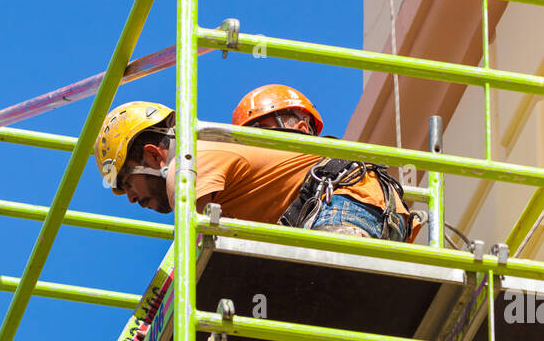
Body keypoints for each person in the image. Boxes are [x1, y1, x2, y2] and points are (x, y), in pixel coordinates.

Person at [94, 88, 418, 243]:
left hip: (345, 207)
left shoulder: (191, 159)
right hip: (374, 211)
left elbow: (188, 252)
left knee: (326, 278)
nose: (131, 198)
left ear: (153, 155)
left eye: (126, 182)